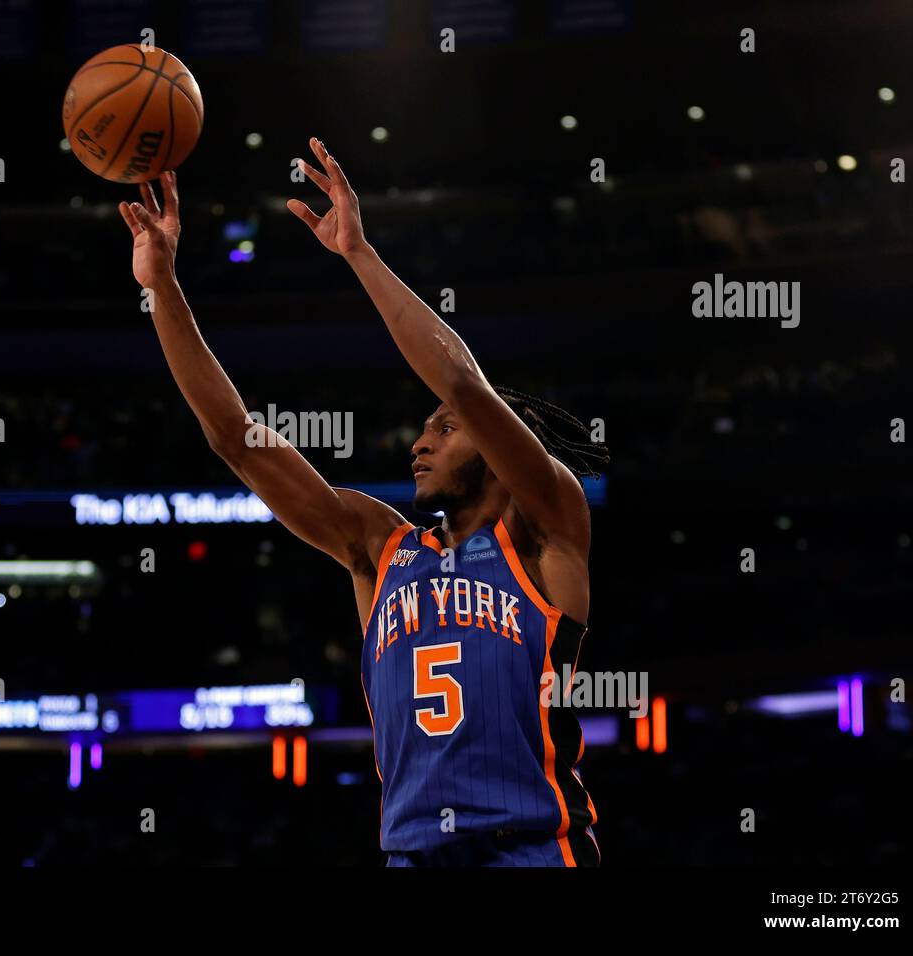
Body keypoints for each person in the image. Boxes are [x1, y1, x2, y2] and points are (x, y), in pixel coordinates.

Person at [118, 141, 606, 866]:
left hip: (528, 850)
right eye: (425, 427)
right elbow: (237, 442)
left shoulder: (545, 526)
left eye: (442, 429)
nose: (420, 441)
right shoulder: (381, 548)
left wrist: (359, 255)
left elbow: (464, 383)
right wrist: (161, 285)